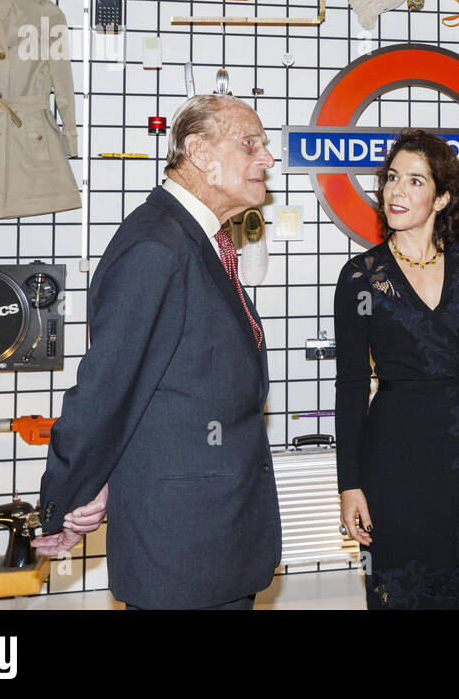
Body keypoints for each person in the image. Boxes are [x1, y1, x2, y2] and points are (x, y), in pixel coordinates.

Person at [33, 95, 282, 610]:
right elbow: (107, 388)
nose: (267, 158)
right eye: (250, 143)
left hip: (216, 539)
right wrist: (68, 495)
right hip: (181, 548)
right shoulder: (157, 245)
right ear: (199, 152)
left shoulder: (197, 238)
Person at [336, 129, 459, 610]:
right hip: (395, 460)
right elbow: (350, 388)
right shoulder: (360, 277)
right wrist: (349, 484)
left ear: (443, 196)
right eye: (390, 178)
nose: (395, 191)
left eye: (414, 180)